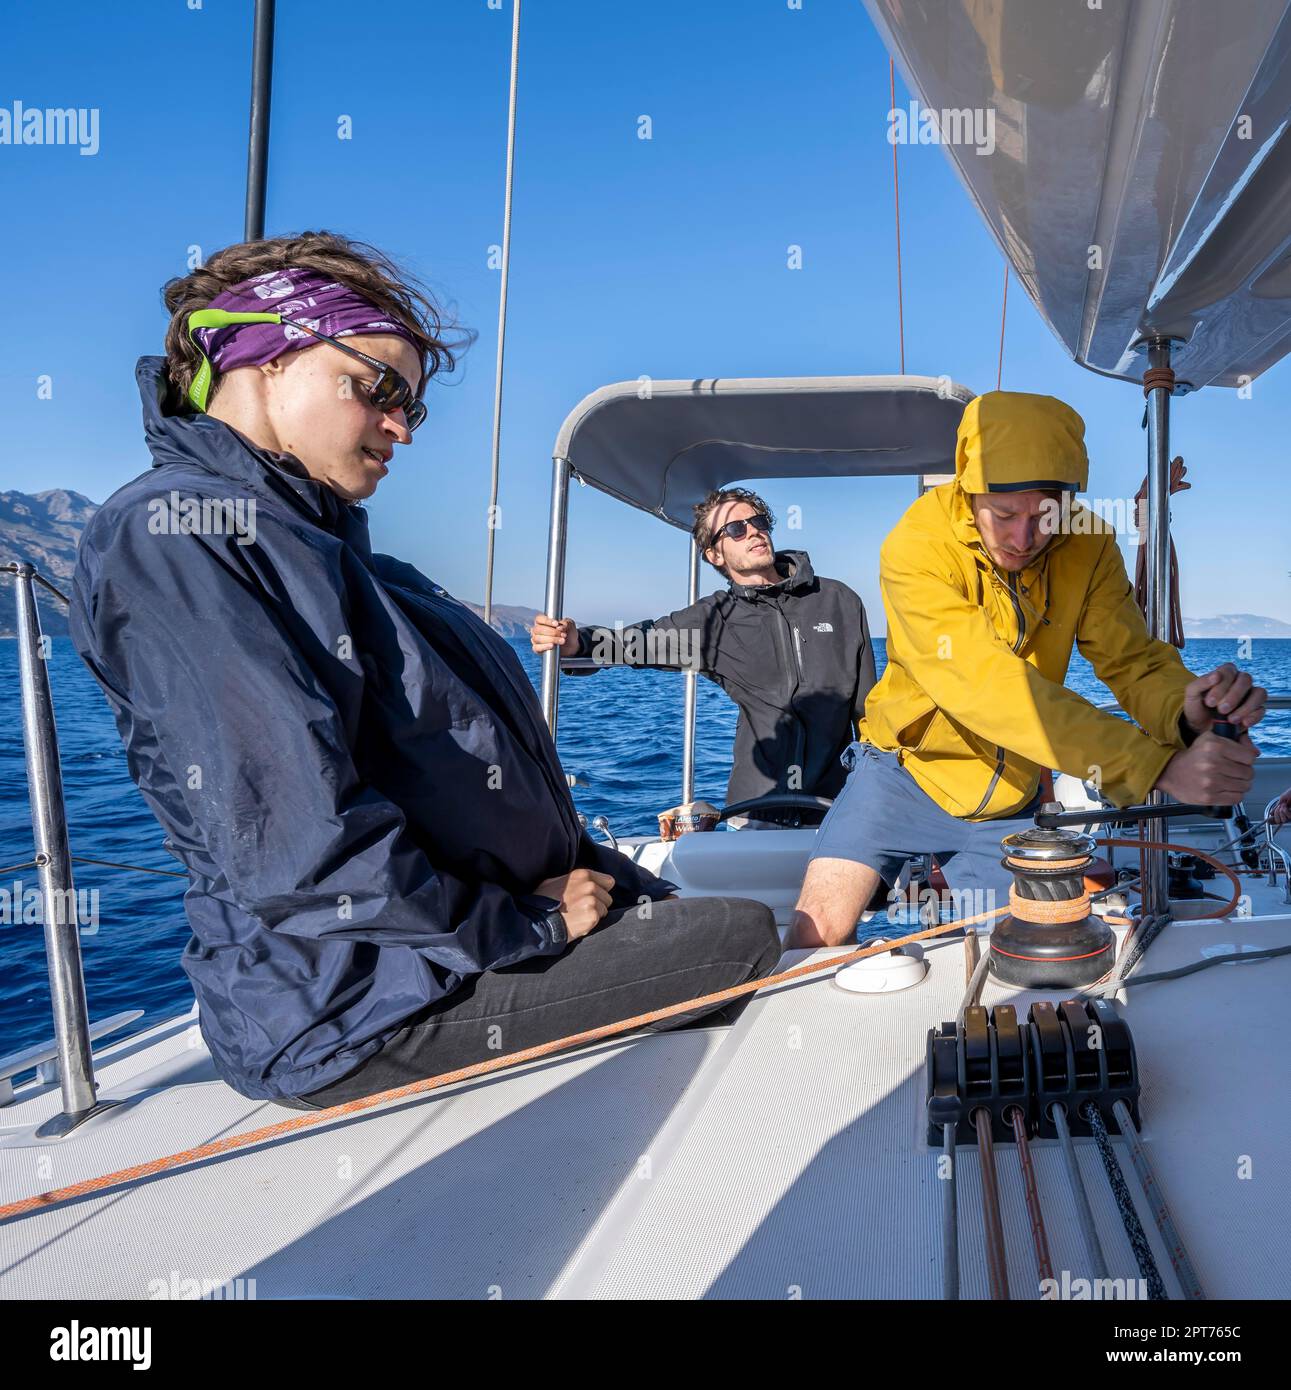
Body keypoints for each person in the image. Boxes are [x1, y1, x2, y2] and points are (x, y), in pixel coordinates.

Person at [69, 232, 780, 1110]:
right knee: (739, 938)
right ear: (265, 357)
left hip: (446, 948)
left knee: (706, 919)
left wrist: (605, 881)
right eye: (378, 388)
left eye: (413, 405)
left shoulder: (343, 559)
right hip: (356, 1007)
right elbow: (296, 846)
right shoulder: (177, 536)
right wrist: (535, 920)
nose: (401, 425)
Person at [789, 390, 1267, 947]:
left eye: (1045, 516)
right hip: (902, 774)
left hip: (1011, 798)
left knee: (1017, 971)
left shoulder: (1090, 542)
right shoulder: (916, 545)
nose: (1023, 538)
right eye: (1005, 514)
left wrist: (1184, 709)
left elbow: (1132, 660)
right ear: (969, 493)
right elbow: (984, 685)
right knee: (811, 941)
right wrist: (1155, 767)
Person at [531, 489, 877, 825]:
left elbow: (870, 713)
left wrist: (875, 794)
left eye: (758, 521)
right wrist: (577, 643)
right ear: (715, 554)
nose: (753, 531)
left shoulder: (838, 601)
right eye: (736, 529)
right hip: (757, 809)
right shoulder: (715, 619)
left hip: (838, 806)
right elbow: (638, 643)